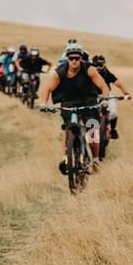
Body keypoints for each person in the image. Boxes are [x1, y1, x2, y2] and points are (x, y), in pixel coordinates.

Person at [40, 40, 111, 169]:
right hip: (68, 102)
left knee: (92, 130)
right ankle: (67, 157)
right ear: (67, 58)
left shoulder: (89, 69)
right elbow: (47, 89)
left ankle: (95, 160)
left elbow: (103, 86)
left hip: (88, 102)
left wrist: (105, 99)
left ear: (81, 57)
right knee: (67, 129)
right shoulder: (59, 72)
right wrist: (44, 103)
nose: (74, 61)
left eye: (77, 58)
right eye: (71, 58)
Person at [90, 53, 132, 159]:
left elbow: (118, 83)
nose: (98, 67)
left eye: (100, 64)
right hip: (92, 96)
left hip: (107, 95)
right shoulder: (88, 72)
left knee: (113, 112)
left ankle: (112, 129)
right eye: (96, 65)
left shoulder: (106, 73)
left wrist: (126, 93)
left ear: (104, 64)